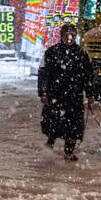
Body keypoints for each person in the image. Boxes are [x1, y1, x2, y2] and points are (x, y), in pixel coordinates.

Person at [38, 23, 92, 160]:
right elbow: (44, 73)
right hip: (56, 95)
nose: (70, 38)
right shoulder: (51, 52)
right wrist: (43, 92)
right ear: (61, 36)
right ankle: (49, 145)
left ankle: (69, 152)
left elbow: (88, 76)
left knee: (74, 126)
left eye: (72, 35)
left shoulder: (82, 54)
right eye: (67, 35)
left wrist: (90, 94)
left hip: (74, 96)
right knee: (54, 123)